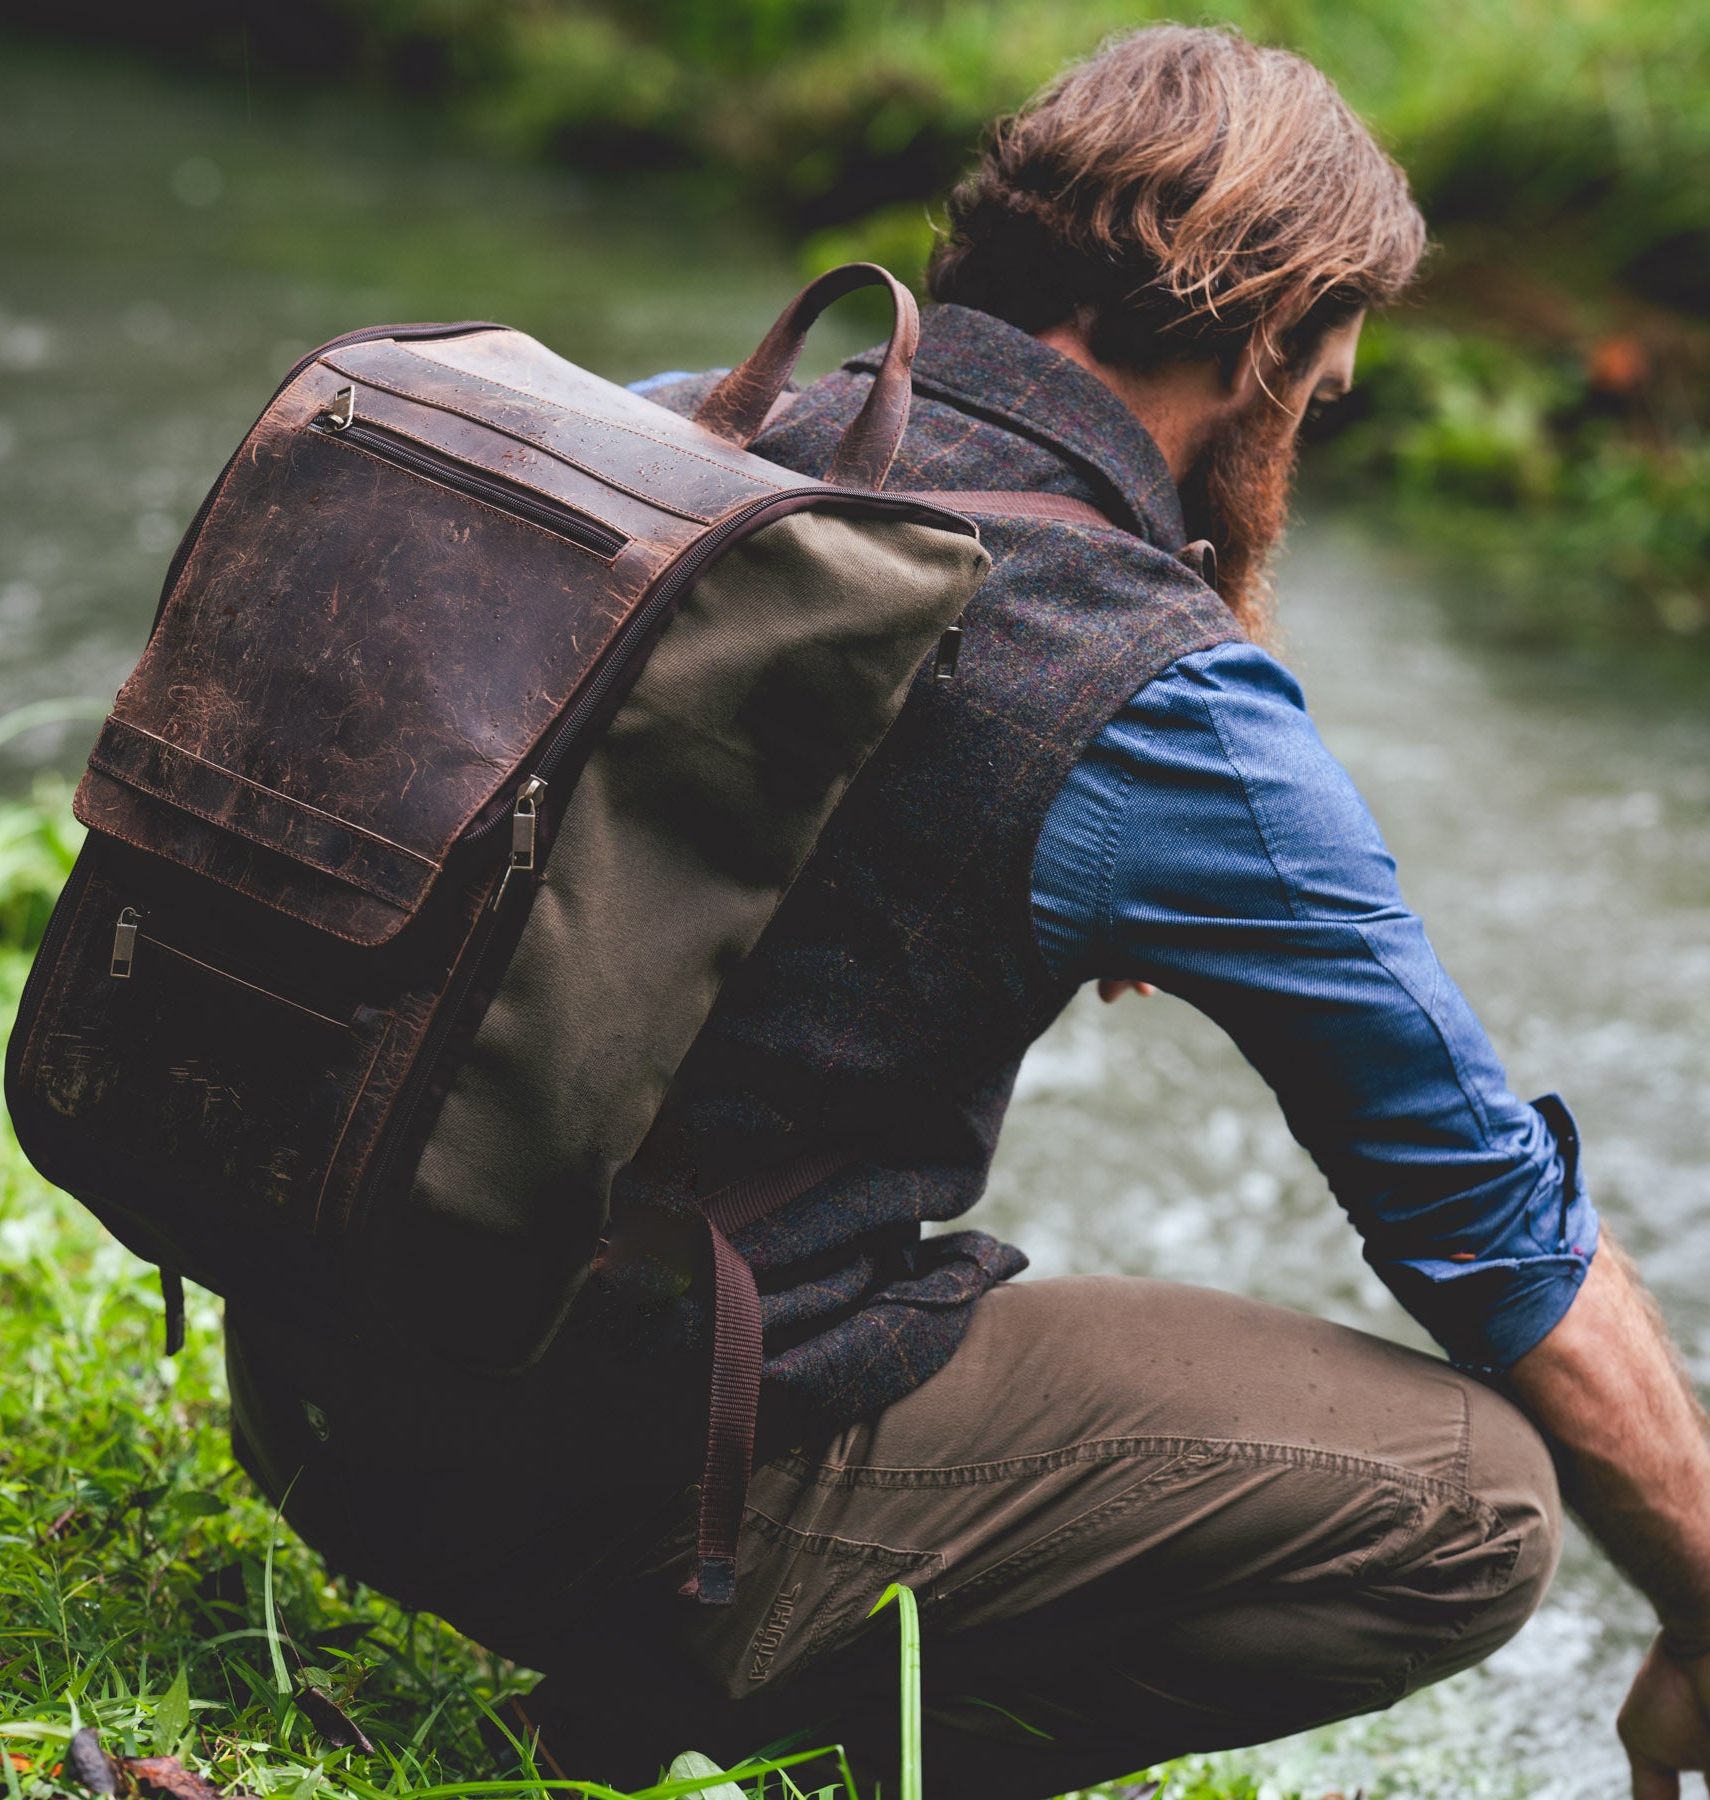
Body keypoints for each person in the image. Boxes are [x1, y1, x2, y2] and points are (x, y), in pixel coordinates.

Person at [227, 25, 1710, 1798]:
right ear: (1258, 352)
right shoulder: (1157, 701)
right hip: (623, 1500)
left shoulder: (687, 428)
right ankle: (748, 1743)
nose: (1304, 438)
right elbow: (1484, 1211)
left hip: (313, 1398)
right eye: (1324, 392)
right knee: (1472, 1505)